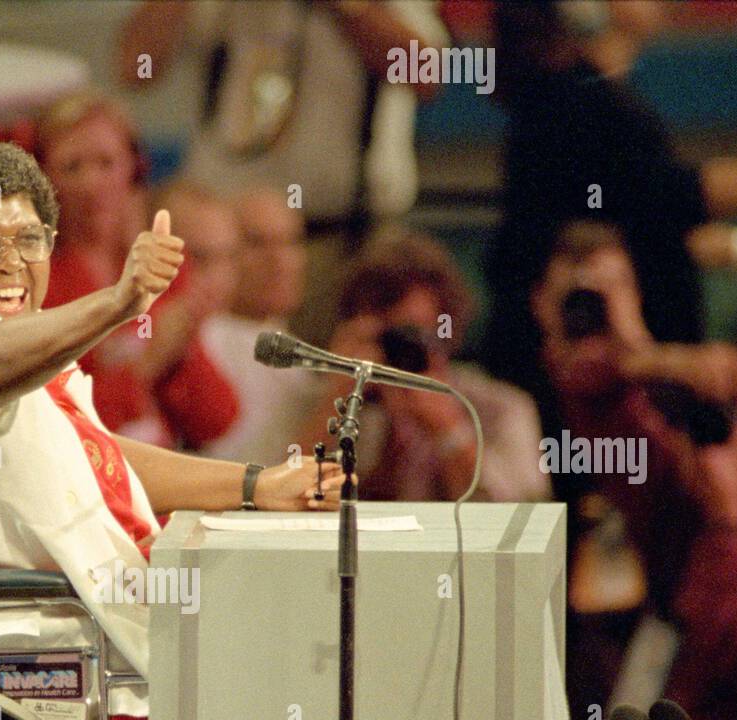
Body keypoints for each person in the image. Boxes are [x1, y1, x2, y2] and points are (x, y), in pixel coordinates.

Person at [0, 140, 342, 720]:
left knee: (299, 668)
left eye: (29, 240)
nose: (11, 263)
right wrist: (118, 304)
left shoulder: (24, 354)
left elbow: (98, 460)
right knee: (287, 710)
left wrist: (257, 486)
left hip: (67, 645)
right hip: (12, 668)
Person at [532, 218, 737, 720]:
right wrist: (644, 353)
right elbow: (598, 400)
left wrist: (727, 526)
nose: (720, 448)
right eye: (708, 427)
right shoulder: (688, 494)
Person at [483, 0, 737, 404]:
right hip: (588, 382)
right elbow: (671, 197)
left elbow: (646, 223)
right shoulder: (570, 99)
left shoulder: (579, 94)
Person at [116, 0, 449, 344]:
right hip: (225, 240)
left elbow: (427, 73)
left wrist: (350, 9)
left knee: (339, 378)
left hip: (341, 235)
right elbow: (135, 67)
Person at [33, 91, 241, 449]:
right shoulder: (37, 281)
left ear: (134, 168)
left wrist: (181, 350)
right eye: (72, 167)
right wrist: (146, 367)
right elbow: (50, 427)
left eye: (106, 163)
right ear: (43, 179)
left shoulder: (163, 264)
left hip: (160, 482)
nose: (91, 184)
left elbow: (215, 419)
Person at [296, 226, 551, 503]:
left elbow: (521, 521)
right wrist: (337, 398)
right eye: (385, 339)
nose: (395, 356)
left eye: (411, 335)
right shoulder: (325, 407)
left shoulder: (499, 409)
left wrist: (450, 430)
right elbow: (281, 501)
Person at [193, 186, 323, 465]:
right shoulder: (207, 339)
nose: (281, 261)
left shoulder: (281, 336)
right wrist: (338, 397)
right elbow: (247, 477)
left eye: (291, 242)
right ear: (224, 251)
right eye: (258, 243)